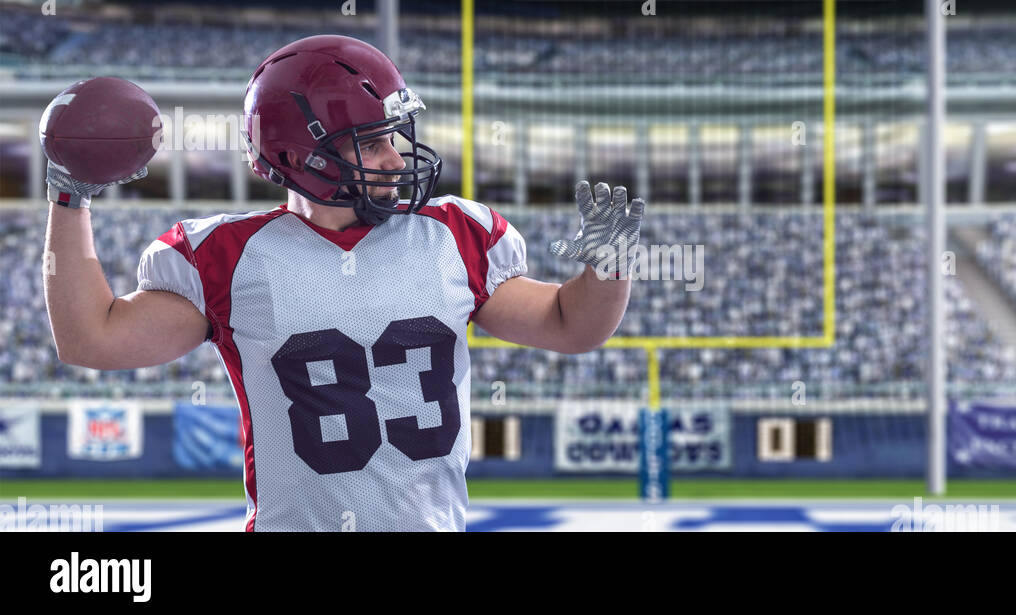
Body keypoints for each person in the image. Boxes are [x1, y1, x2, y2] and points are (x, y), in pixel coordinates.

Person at [41, 35, 645, 531]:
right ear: (304, 155)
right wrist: (71, 198)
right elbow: (91, 339)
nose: (397, 158)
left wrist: (610, 265)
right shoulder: (229, 256)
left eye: (396, 137)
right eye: (374, 141)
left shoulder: (453, 235)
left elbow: (573, 325)